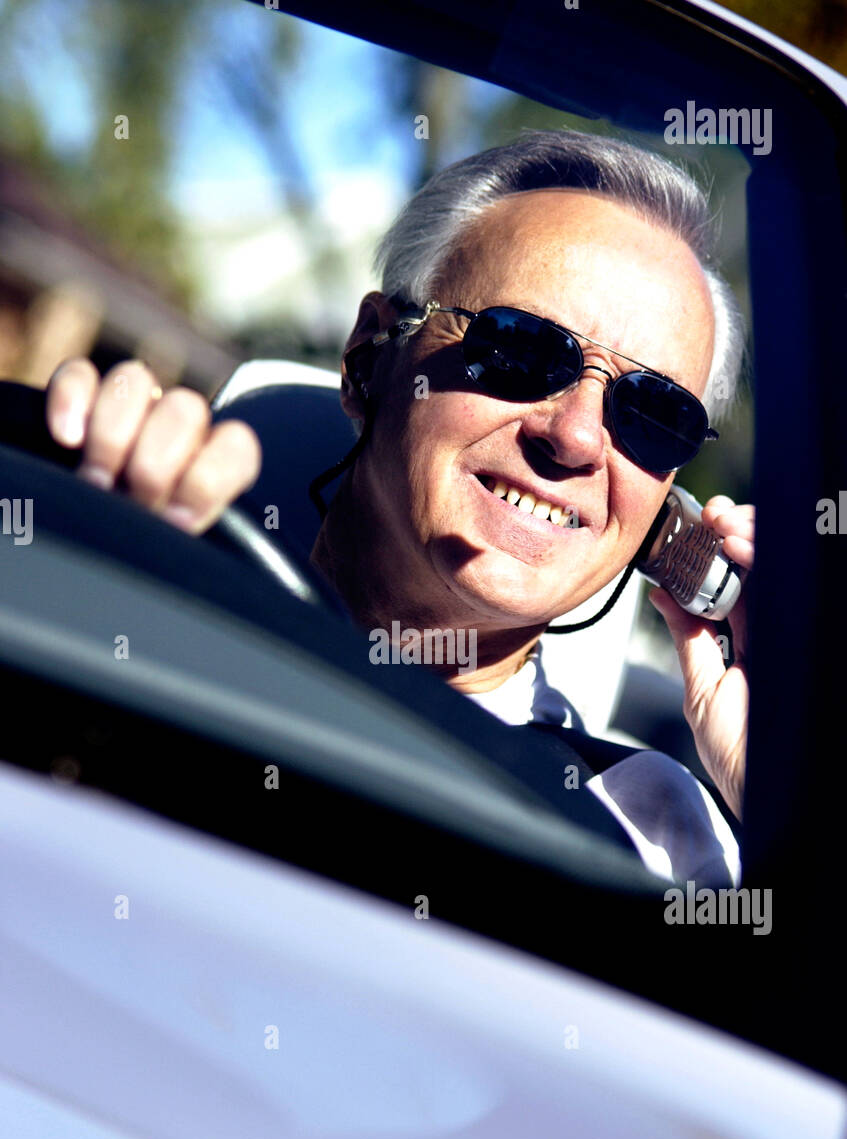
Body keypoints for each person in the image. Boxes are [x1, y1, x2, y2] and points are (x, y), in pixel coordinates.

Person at [43, 130, 754, 887]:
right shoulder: (145, 612)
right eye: (517, 348)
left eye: (653, 414)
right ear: (368, 355)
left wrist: (786, 791)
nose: (576, 436)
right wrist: (76, 542)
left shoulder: (658, 836)